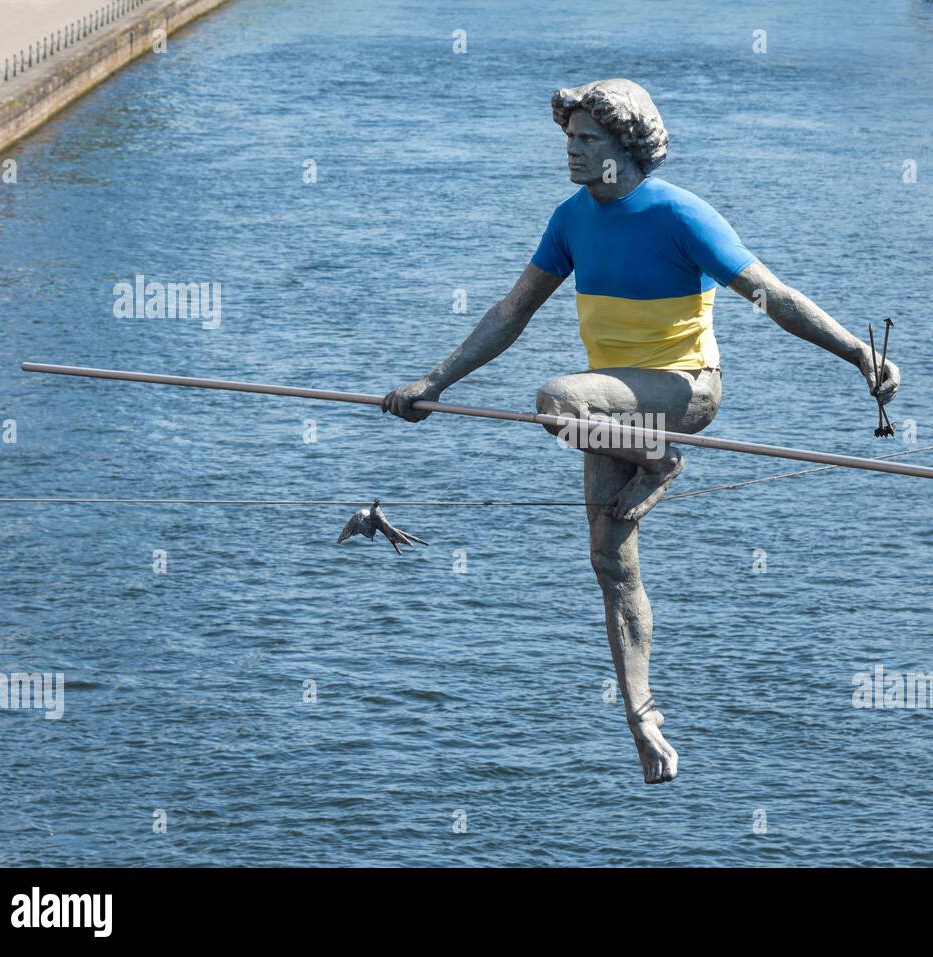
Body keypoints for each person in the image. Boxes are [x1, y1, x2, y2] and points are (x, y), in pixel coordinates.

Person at [384, 78, 899, 784]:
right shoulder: (570, 219)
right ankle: (643, 719)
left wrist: (860, 355)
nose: (573, 151)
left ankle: (660, 461)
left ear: (628, 148)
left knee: (554, 399)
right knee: (610, 563)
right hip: (612, 409)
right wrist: (434, 382)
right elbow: (510, 313)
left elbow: (774, 297)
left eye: (588, 141)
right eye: (569, 139)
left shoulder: (681, 215)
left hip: (681, 393)